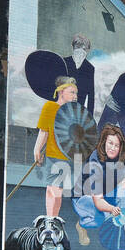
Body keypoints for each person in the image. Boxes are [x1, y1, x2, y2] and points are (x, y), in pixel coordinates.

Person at [72, 124, 125, 247]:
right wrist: (112, 209)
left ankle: (118, 225)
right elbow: (98, 201)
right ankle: (81, 225)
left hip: (106, 194)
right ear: (104, 142)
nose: (113, 148)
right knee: (100, 219)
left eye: (116, 145)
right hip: (84, 198)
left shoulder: (121, 155)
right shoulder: (95, 160)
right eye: (110, 143)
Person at [33, 76, 78, 219]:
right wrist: (37, 150)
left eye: (76, 93)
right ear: (61, 92)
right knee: (53, 190)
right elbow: (44, 131)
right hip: (54, 156)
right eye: (72, 92)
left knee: (59, 193)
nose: (75, 96)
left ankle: (54, 219)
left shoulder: (74, 111)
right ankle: (50, 219)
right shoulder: (50, 107)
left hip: (70, 158)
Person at [64, 34, 96, 118]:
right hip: (62, 107)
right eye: (78, 47)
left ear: (87, 51)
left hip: (77, 111)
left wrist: (90, 117)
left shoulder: (89, 68)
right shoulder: (64, 62)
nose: (81, 51)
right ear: (73, 47)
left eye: (84, 48)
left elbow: (91, 94)